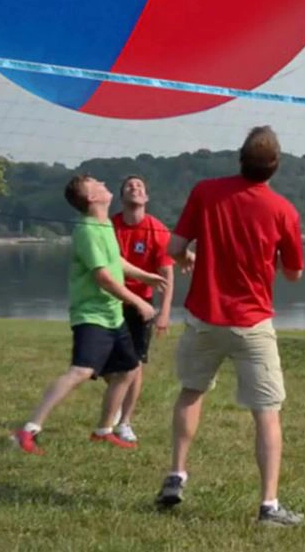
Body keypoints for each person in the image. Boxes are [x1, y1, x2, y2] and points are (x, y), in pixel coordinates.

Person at [155, 126, 305, 526]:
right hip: (252, 322)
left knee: (191, 392)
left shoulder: (205, 192)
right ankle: (268, 506)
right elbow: (294, 274)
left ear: (240, 159)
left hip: (204, 317)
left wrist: (187, 255)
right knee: (267, 412)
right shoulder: (284, 210)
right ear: (275, 167)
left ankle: (176, 475)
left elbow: (173, 248)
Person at [11, 174, 166, 455]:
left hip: (112, 314)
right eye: (97, 184)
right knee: (81, 371)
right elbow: (103, 277)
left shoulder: (104, 225)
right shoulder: (87, 230)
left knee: (129, 370)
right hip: (92, 315)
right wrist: (138, 302)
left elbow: (116, 260)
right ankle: (29, 429)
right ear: (92, 197)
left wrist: (145, 276)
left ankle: (103, 431)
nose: (104, 184)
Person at [110, 175, 174, 444]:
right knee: (104, 364)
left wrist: (164, 313)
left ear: (146, 197)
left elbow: (167, 275)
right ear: (121, 196)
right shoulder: (109, 226)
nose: (134, 188)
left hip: (142, 305)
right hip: (111, 300)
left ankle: (124, 422)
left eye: (139, 186)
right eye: (129, 186)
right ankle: (114, 400)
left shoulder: (157, 230)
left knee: (135, 365)